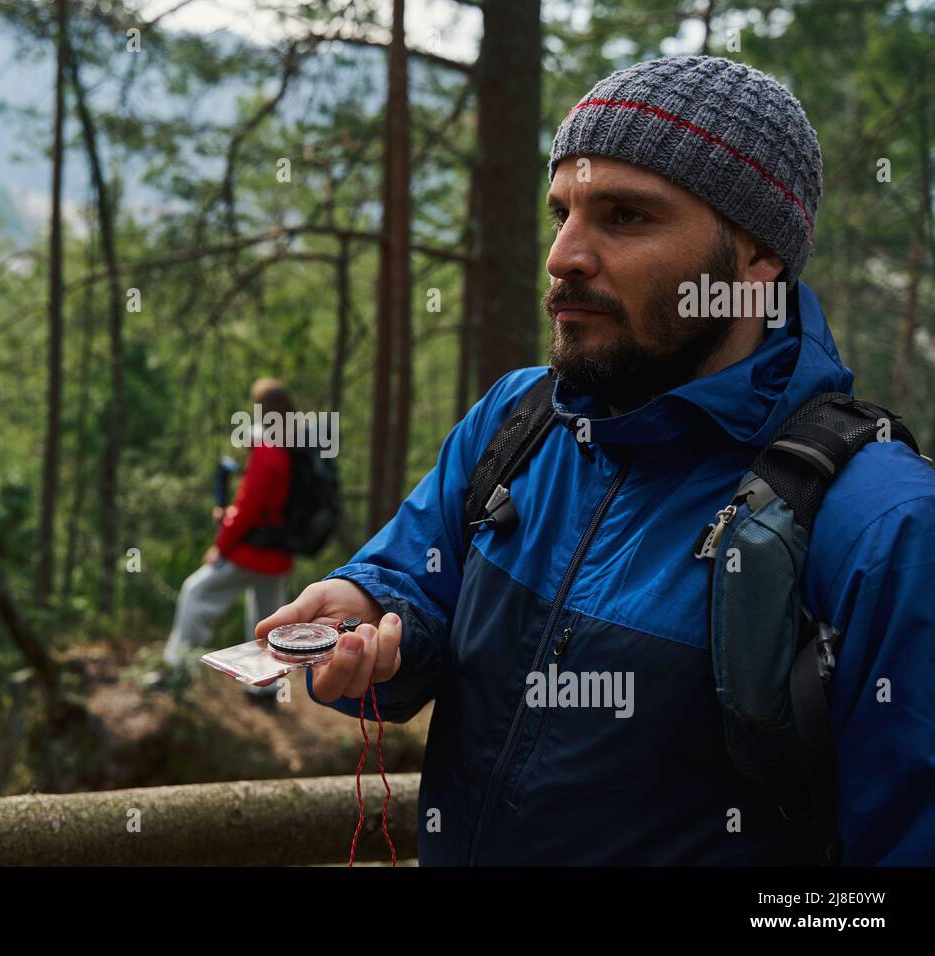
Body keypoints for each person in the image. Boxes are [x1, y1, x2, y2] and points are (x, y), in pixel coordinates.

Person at [257, 55, 935, 864]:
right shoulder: (518, 419)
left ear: (757, 260)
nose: (564, 255)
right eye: (562, 213)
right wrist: (369, 616)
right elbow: (414, 587)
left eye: (624, 217)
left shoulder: (882, 525)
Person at [152, 378, 295, 705]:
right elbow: (267, 506)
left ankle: (177, 670)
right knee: (268, 621)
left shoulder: (267, 447)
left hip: (254, 551)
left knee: (195, 592)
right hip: (279, 553)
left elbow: (248, 508)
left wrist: (222, 545)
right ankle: (265, 690)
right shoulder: (292, 447)